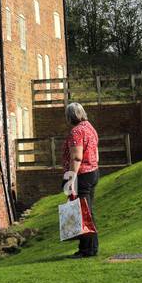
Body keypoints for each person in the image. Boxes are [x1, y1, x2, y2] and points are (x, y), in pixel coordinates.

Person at [60, 101, 100, 257]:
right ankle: (90, 248)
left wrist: (70, 179)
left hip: (81, 175)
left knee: (83, 213)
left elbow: (76, 158)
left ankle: (87, 250)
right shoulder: (90, 128)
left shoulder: (76, 132)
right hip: (93, 172)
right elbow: (95, 152)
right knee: (87, 212)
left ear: (70, 116)